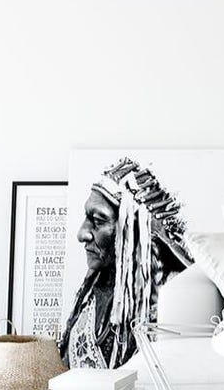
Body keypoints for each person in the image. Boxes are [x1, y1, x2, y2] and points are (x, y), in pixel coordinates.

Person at [59, 157, 192, 368]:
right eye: (87, 218)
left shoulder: (172, 298)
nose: (82, 234)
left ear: (134, 230)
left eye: (99, 220)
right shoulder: (95, 288)